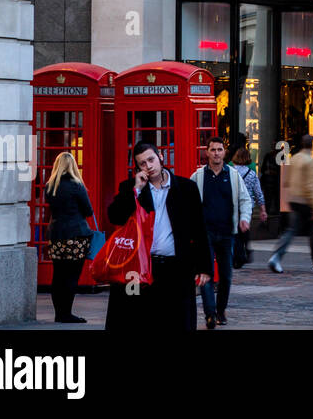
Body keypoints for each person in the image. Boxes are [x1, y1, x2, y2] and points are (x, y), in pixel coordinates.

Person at [106, 141, 211, 331]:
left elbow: (199, 228)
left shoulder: (187, 188)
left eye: (151, 159)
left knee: (177, 321)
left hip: (176, 268)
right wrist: (136, 190)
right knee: (139, 320)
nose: (149, 166)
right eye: (143, 163)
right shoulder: (131, 188)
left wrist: (204, 267)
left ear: (160, 157)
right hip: (141, 269)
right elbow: (115, 216)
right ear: (138, 168)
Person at [191, 136, 252, 328]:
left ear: (224, 153)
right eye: (213, 150)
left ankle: (220, 310)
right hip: (205, 233)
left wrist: (245, 219)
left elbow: (245, 200)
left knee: (226, 276)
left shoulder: (233, 175)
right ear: (207, 152)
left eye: (219, 150)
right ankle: (210, 314)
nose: (216, 153)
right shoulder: (198, 177)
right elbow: (188, 202)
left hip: (227, 233)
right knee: (206, 273)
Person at [268, 134, 313, 274]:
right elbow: (312, 186)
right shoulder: (310, 161)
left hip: (294, 199)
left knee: (291, 231)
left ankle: (276, 256)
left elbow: (287, 180)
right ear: (312, 145)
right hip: (307, 202)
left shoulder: (294, 158)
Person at [44, 151, 95, 324]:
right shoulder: (76, 185)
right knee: (71, 276)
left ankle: (59, 313)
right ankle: (67, 313)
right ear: (72, 165)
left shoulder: (50, 186)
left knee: (58, 275)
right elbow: (88, 211)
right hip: (76, 236)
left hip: (56, 234)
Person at [231, 148, 266, 267]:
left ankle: (238, 256)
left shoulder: (229, 172)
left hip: (233, 205)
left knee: (235, 232)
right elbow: (258, 193)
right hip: (247, 206)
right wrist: (263, 210)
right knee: (244, 229)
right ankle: (246, 250)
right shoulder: (251, 174)